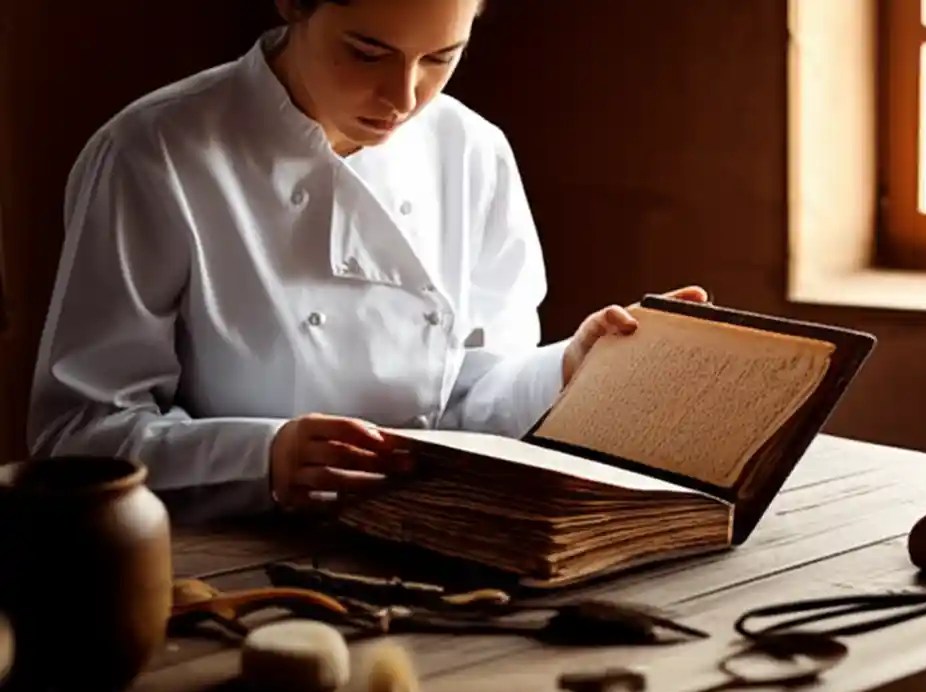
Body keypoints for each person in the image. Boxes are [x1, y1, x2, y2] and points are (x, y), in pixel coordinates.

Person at [27, 0, 707, 522]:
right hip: (221, 557)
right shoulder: (156, 153)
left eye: (441, 57)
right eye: (367, 52)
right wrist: (261, 460)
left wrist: (571, 369)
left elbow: (470, 399)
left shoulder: (472, 152)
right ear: (293, 4)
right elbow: (76, 436)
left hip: (433, 537)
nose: (405, 97)